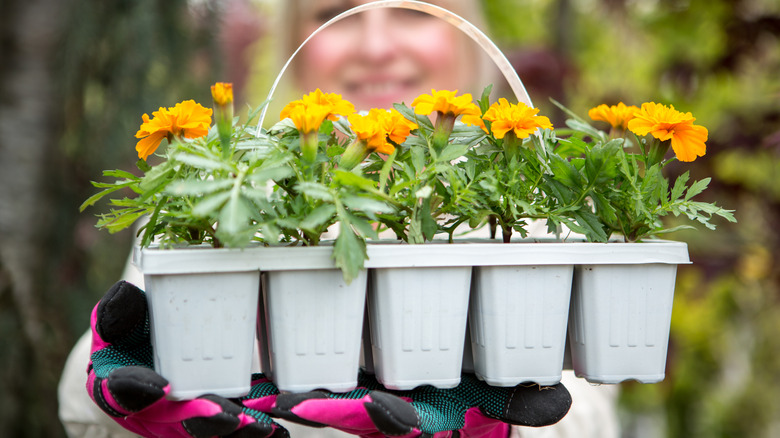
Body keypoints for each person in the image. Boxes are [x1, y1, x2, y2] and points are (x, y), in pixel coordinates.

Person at [58, 1, 619, 437]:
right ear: (297, 48)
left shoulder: (542, 203)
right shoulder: (217, 193)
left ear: (463, 31)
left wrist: (506, 428)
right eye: (333, 14)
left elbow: (593, 406)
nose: (376, 47)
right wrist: (112, 392)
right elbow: (81, 395)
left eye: (412, 12)